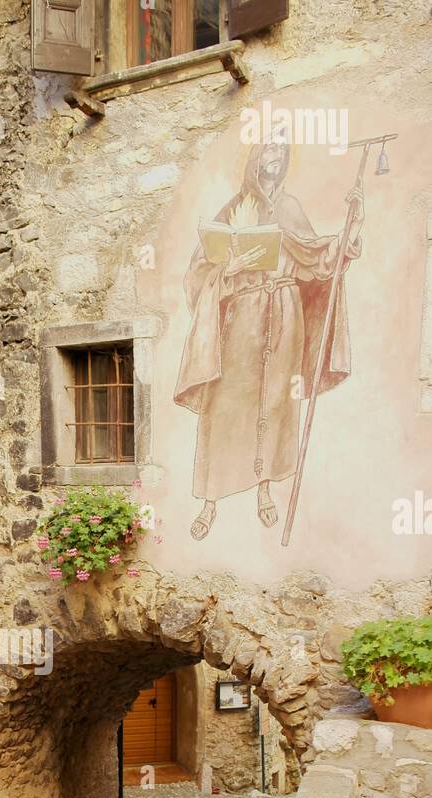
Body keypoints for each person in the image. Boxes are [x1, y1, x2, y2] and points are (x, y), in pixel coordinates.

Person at [175, 142, 364, 541]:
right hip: (242, 315)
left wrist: (352, 225)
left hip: (285, 315)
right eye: (266, 151)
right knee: (224, 406)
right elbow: (198, 274)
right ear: (254, 160)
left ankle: (264, 491)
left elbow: (319, 259)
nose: (273, 158)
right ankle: (209, 501)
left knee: (276, 402)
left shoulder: (291, 207)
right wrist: (231, 267)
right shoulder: (232, 208)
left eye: (280, 151)